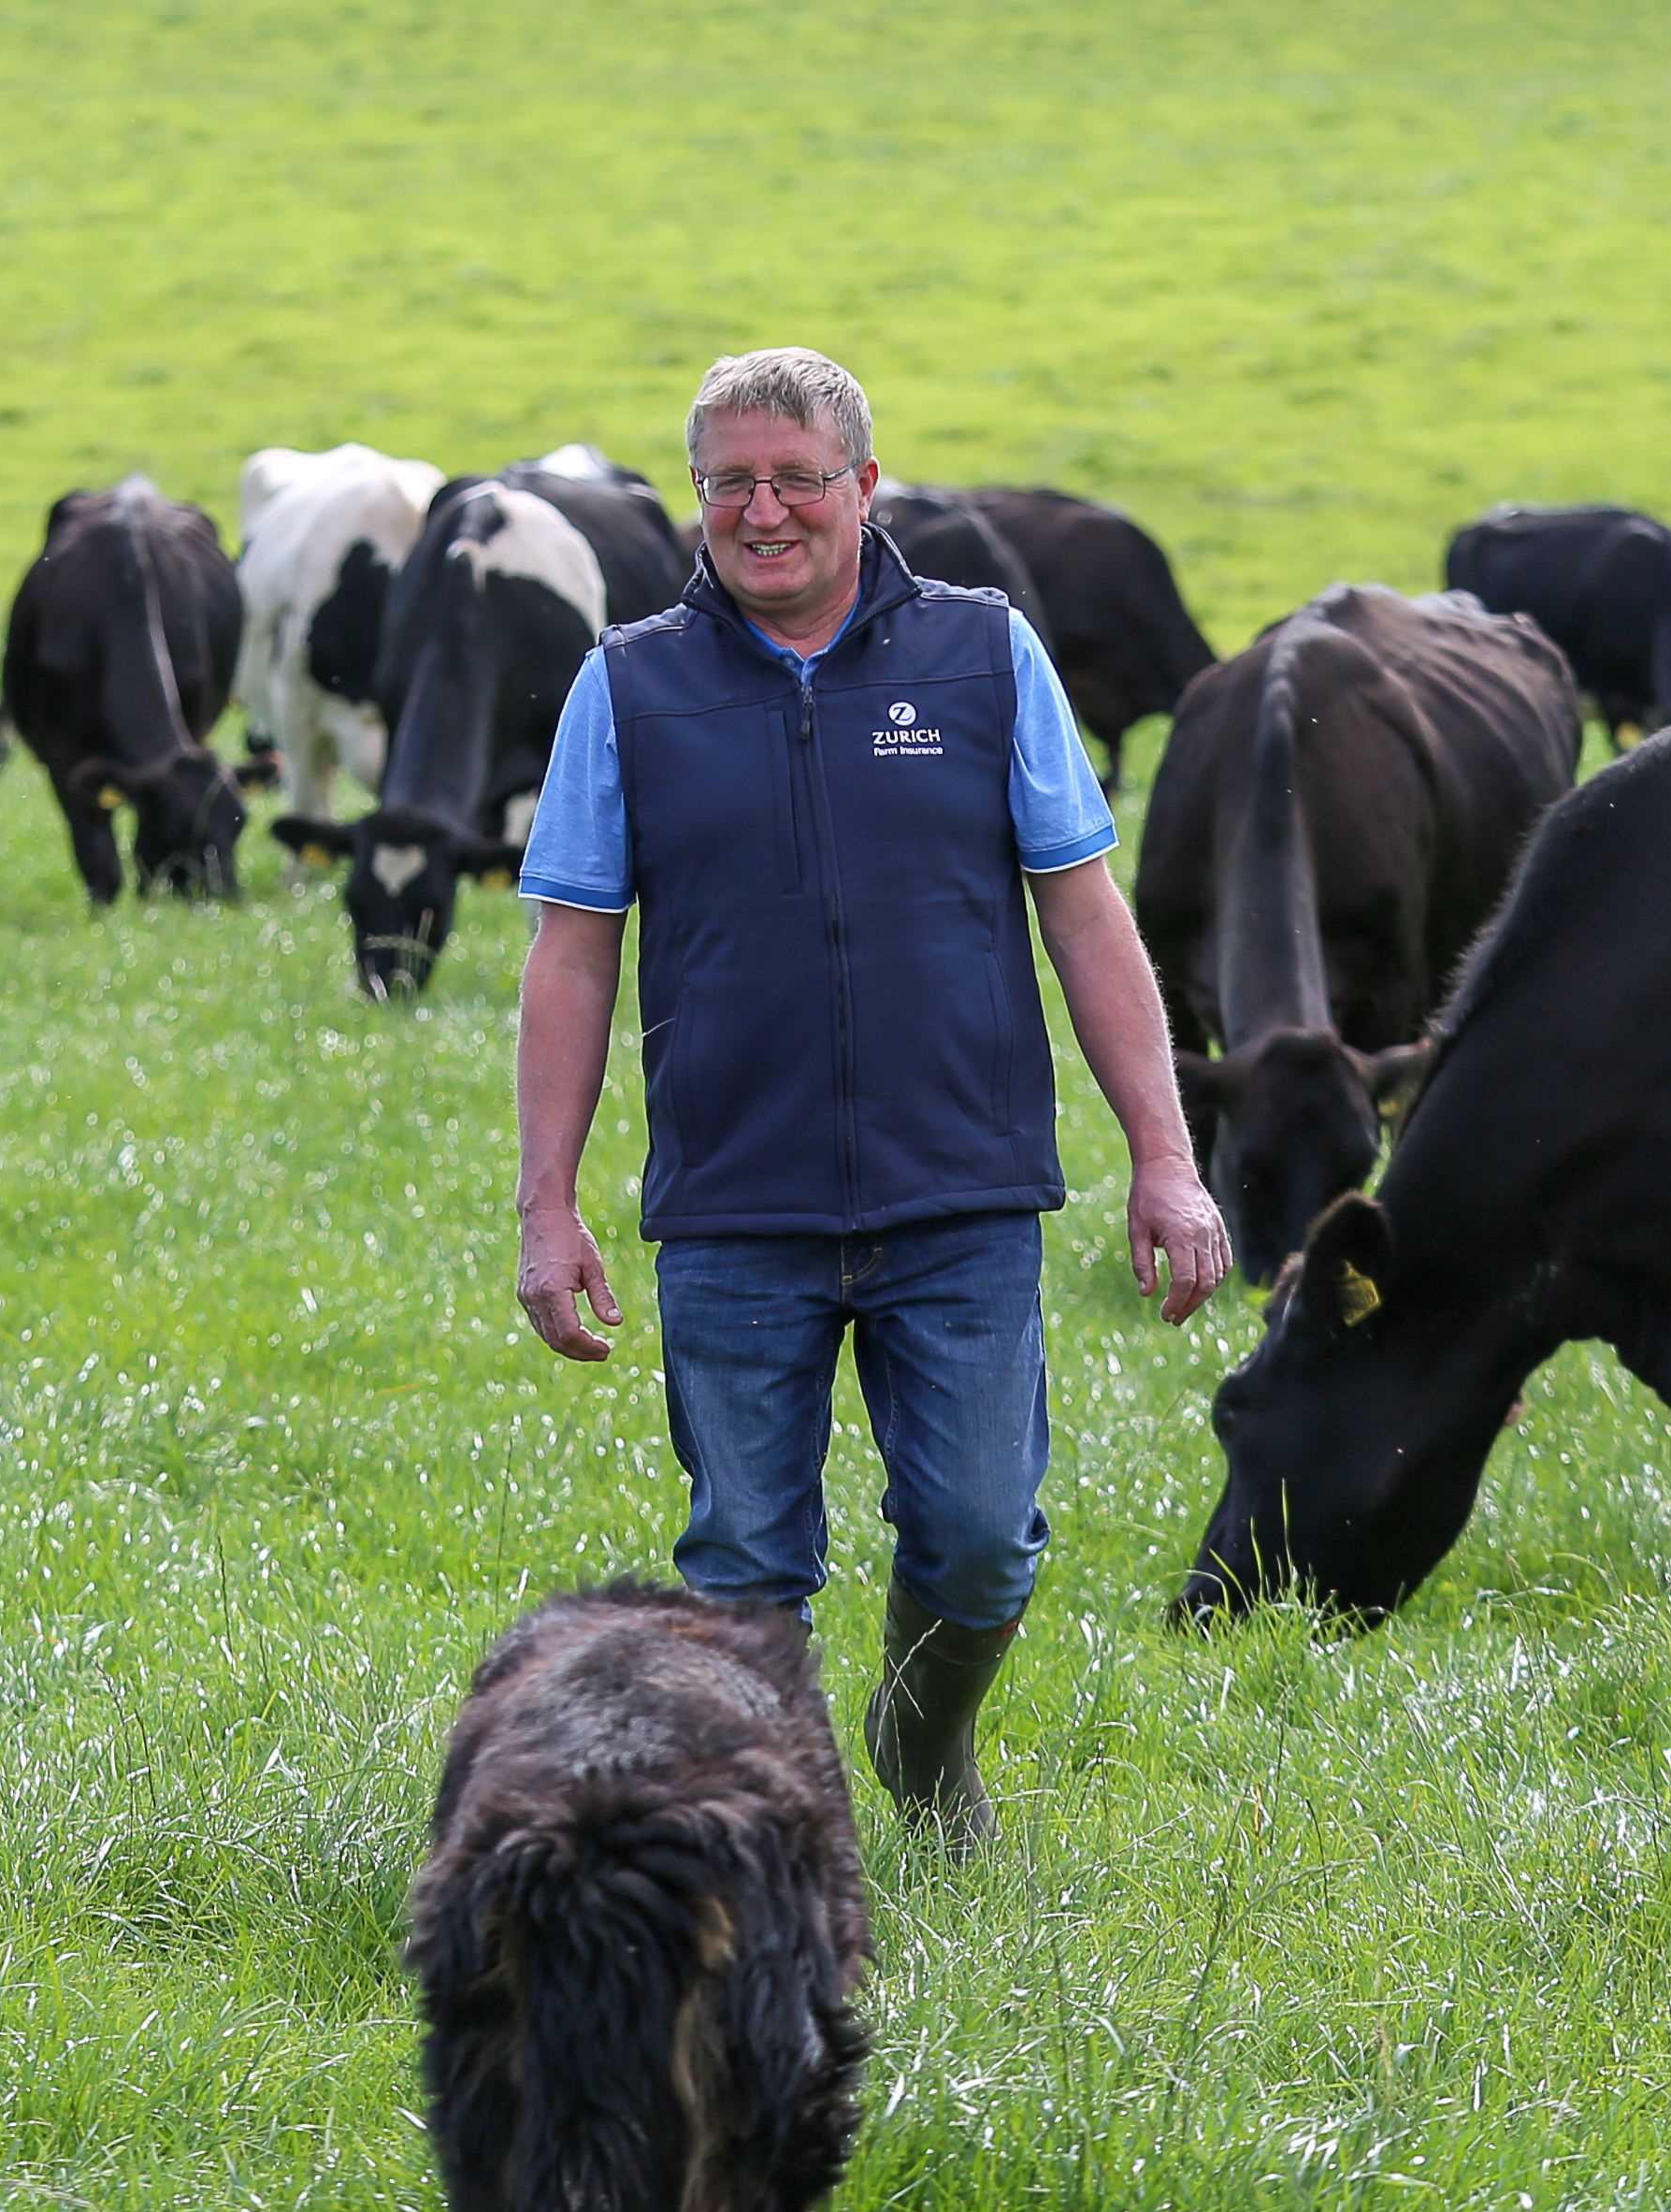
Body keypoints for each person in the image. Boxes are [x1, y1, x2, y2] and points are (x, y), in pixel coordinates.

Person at [512, 347, 1233, 1852]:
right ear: (695, 496)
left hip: (957, 1192)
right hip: (734, 1205)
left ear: (864, 485)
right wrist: (547, 1199)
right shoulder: (628, 685)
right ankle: (789, 1848)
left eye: (794, 477)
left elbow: (1085, 916)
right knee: (741, 1568)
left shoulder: (982, 655)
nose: (761, 510)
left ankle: (920, 1741)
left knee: (979, 1545)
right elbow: (572, 954)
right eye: (728, 482)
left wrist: (1163, 1158)